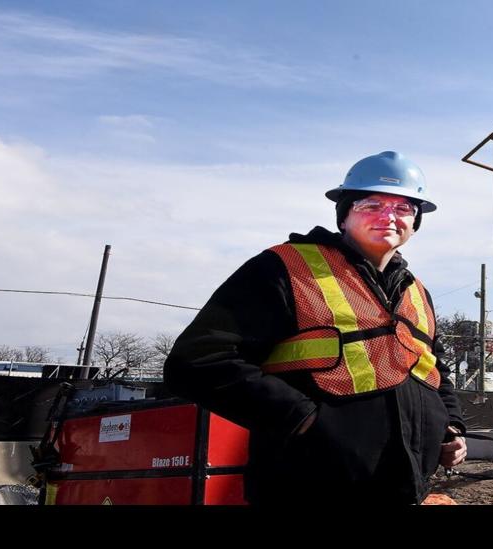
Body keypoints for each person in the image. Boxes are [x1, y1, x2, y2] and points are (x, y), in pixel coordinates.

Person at [165, 151, 467, 506]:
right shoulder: (283, 268)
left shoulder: (416, 291)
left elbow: (434, 371)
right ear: (344, 215)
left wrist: (450, 428)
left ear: (415, 221)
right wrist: (305, 420)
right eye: (371, 205)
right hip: (307, 488)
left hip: (403, 489)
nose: (389, 217)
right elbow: (197, 361)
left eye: (403, 208)